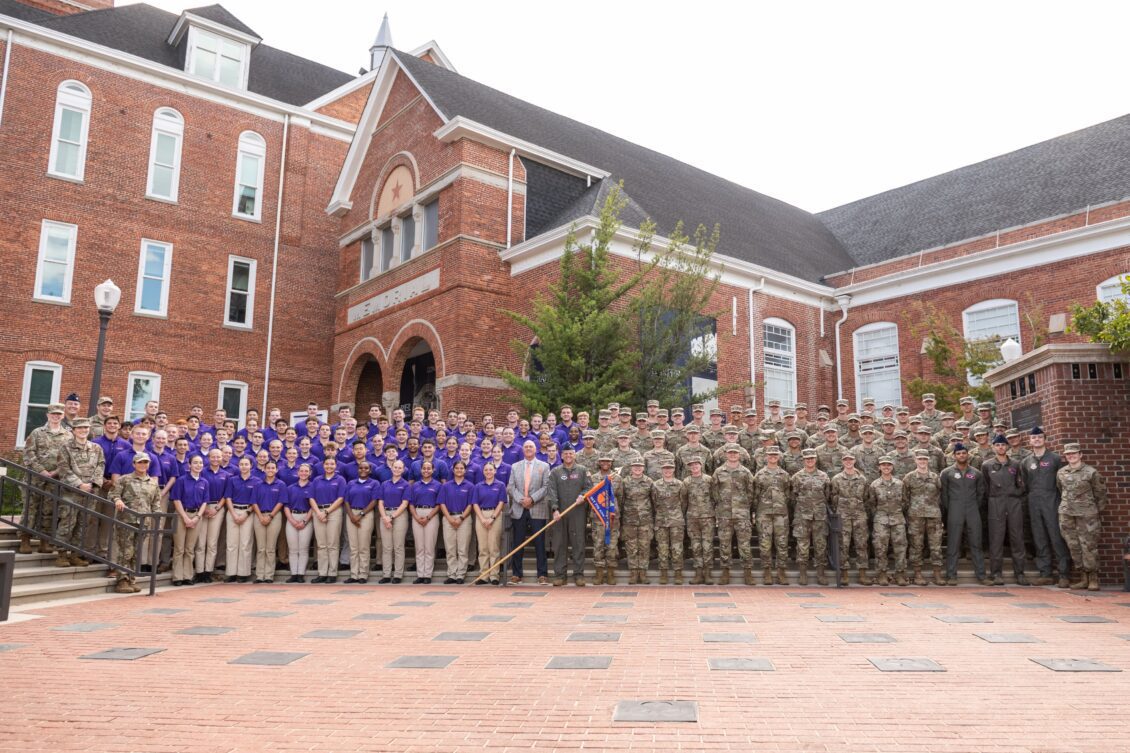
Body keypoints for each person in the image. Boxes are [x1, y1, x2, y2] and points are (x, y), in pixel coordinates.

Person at [19, 402, 72, 554]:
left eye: (59, 414)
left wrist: (56, 471)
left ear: (63, 416)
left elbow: (68, 458)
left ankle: (44, 541)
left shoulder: (68, 435)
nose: (56, 416)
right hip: (34, 478)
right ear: (47, 415)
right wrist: (41, 470)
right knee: (30, 508)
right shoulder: (37, 432)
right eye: (53, 414)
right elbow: (28, 453)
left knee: (49, 510)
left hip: (55, 479)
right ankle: (25, 539)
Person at [1020, 427, 1069, 587]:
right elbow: (1026, 483)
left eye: (1040, 437)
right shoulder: (1026, 462)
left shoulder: (1055, 459)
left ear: (1045, 439)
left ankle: (1063, 574)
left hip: (1052, 500)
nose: (1037, 440)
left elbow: (1062, 482)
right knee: (1039, 538)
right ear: (1030, 441)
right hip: (1034, 501)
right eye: (1034, 438)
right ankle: (1045, 573)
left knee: (1056, 537)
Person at [1056, 443, 1108, 591]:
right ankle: (1082, 577)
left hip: (1087, 515)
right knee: (1073, 545)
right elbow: (1060, 489)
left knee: (1089, 546)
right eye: (1068, 454)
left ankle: (1093, 578)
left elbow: (1101, 494)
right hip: (1067, 514)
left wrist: (1094, 511)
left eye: (1074, 453)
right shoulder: (1061, 472)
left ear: (1080, 454)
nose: (1071, 456)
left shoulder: (1091, 472)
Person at [54, 418, 104, 567]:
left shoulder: (96, 448)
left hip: (90, 492)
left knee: (83, 524)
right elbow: (63, 468)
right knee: (67, 522)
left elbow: (101, 465)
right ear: (74, 430)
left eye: (86, 428)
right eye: (80, 428)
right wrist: (79, 484)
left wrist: (93, 484)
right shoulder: (65, 447)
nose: (83, 430)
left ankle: (75, 554)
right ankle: (62, 554)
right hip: (71, 492)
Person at [108, 453, 161, 593]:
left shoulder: (153, 483)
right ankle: (122, 581)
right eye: (140, 462)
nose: (143, 465)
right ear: (133, 464)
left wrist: (157, 515)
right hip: (126, 520)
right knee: (126, 551)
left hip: (144, 522)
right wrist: (117, 500)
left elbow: (156, 503)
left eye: (145, 462)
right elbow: (112, 494)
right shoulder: (124, 479)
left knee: (137, 552)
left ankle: (131, 579)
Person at [940, 443, 989, 586]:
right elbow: (944, 496)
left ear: (968, 455)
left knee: (976, 543)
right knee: (953, 544)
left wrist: (973, 506)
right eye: (958, 453)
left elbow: (981, 494)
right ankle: (951, 575)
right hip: (955, 510)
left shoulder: (976, 473)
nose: (961, 455)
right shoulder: (947, 473)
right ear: (954, 456)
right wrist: (950, 510)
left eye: (964, 453)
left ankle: (981, 575)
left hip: (972, 510)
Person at [983, 434, 1028, 586]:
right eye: (997, 445)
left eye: (1003, 445)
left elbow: (1022, 485)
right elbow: (985, 487)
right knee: (996, 539)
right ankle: (996, 573)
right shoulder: (987, 465)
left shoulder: (1016, 464)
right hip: (996, 503)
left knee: (1017, 538)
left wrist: (1015, 496)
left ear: (1007, 447)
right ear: (993, 447)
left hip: (1013, 503)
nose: (1001, 447)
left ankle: (1020, 573)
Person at [506, 440, 551, 585]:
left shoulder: (544, 466)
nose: (528, 449)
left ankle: (542, 574)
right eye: (526, 447)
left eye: (531, 446)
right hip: (519, 509)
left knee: (539, 543)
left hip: (537, 508)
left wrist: (531, 499)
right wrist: (521, 500)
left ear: (536, 449)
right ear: (523, 450)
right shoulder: (515, 466)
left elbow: (546, 487)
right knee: (518, 542)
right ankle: (516, 574)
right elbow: (511, 487)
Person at [711, 444, 757, 585]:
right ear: (726, 455)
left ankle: (748, 572)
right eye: (730, 453)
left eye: (735, 453)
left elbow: (751, 493)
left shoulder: (746, 472)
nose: (732, 455)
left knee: (744, 544)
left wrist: (745, 508)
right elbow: (714, 492)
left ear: (739, 455)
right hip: (724, 514)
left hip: (742, 514)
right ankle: (725, 572)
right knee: (725, 544)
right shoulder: (719, 472)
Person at [545, 445, 590, 586]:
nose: (568, 456)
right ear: (562, 455)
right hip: (560, 514)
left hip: (577, 512)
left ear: (574, 455)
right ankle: (560, 575)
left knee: (578, 544)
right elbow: (551, 491)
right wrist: (555, 509)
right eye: (566, 453)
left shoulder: (582, 470)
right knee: (559, 544)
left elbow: (589, 487)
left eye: (571, 453)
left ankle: (578, 574)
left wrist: (583, 495)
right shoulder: (555, 472)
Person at [903, 449, 944, 586]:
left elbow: (940, 495)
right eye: (920, 459)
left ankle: (937, 573)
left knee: (936, 545)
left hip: (933, 515)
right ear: (915, 460)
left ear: (928, 460)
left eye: (924, 459)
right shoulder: (909, 477)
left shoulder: (935, 477)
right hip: (915, 516)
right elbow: (905, 497)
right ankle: (917, 573)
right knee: (916, 545)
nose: (922, 462)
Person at [790, 448, 831, 585]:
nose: (810, 461)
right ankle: (803, 573)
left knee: (821, 545)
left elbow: (827, 495)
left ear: (816, 459)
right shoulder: (797, 477)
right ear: (803, 460)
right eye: (807, 459)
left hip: (819, 516)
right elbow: (793, 496)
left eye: (812, 458)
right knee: (802, 545)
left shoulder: (824, 476)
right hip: (802, 516)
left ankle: (821, 573)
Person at [830, 451, 870, 586]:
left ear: (854, 461)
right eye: (846, 460)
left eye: (851, 459)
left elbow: (866, 497)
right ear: (842, 462)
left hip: (859, 515)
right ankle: (844, 574)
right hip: (843, 515)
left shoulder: (862, 479)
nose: (848, 462)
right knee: (843, 545)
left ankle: (862, 574)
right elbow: (833, 497)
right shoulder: (836, 479)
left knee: (862, 544)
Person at [868, 456, 908, 586]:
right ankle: (882, 574)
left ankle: (900, 574)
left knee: (900, 547)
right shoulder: (874, 485)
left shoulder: (900, 484)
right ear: (879, 467)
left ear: (892, 467)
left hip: (897, 518)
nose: (886, 467)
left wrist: (896, 512)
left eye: (889, 465)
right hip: (881, 519)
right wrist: (880, 514)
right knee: (880, 547)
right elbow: (872, 503)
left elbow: (905, 501)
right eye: (883, 465)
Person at [170, 455, 208, 586]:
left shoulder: (204, 482)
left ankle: (187, 576)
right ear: (189, 465)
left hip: (197, 516)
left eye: (200, 463)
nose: (198, 465)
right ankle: (177, 577)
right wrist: (185, 517)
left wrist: (197, 517)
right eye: (195, 463)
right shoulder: (181, 480)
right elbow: (176, 499)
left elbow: (205, 502)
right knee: (179, 548)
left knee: (190, 548)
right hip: (182, 514)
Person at [222, 456, 261, 583]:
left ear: (251, 466)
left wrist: (246, 514)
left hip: (248, 513)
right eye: (241, 464)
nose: (244, 466)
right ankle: (231, 572)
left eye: (246, 464)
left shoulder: (256, 481)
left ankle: (243, 573)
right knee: (232, 543)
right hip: (233, 511)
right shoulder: (232, 480)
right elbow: (228, 497)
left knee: (245, 543)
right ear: (238, 466)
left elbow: (255, 500)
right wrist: (233, 514)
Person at [310, 457, 347, 584]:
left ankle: (332, 573)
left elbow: (341, 498)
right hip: (318, 512)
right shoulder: (316, 480)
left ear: (336, 466)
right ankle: (322, 573)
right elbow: (311, 498)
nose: (329, 466)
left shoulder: (340, 480)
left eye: (332, 464)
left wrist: (327, 512)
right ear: (323, 465)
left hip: (334, 512)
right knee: (321, 545)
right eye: (327, 464)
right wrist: (319, 513)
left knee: (332, 544)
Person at [195, 449, 230, 583]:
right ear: (208, 458)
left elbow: (226, 495)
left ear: (222, 458)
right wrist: (204, 509)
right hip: (202, 508)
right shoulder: (202, 472)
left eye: (218, 456)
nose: (215, 459)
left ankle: (208, 571)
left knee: (212, 542)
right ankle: (199, 571)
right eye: (213, 456)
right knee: (201, 542)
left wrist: (216, 508)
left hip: (217, 508)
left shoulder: (225, 475)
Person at [590, 454, 624, 585]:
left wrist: (614, 511)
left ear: (611, 463)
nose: (605, 463)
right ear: (599, 463)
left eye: (608, 461)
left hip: (612, 517)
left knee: (612, 545)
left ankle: (610, 573)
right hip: (598, 518)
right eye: (603, 461)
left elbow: (620, 498)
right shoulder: (593, 478)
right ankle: (599, 573)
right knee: (598, 545)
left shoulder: (617, 478)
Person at [620, 458, 655, 584]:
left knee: (644, 547)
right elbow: (621, 500)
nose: (637, 468)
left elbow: (654, 500)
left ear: (644, 468)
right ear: (631, 468)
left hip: (645, 520)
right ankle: (634, 573)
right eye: (635, 466)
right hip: (629, 520)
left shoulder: (649, 482)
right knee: (631, 547)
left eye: (640, 466)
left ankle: (643, 573)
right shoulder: (625, 482)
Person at [439, 460, 475, 584]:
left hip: (464, 518)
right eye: (457, 468)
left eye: (461, 468)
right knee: (450, 548)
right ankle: (452, 574)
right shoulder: (446, 486)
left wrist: (461, 518)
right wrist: (449, 518)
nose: (459, 470)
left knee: (463, 548)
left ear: (465, 470)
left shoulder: (470, 486)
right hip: (448, 517)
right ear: (453, 470)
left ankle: (461, 574)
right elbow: (442, 503)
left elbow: (471, 504)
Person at [472, 462, 508, 584]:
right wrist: (482, 518)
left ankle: (494, 575)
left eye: (490, 469)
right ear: (483, 471)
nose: (488, 472)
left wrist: (492, 518)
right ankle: (483, 575)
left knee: (494, 547)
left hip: (495, 515)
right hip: (481, 515)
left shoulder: (500, 485)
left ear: (495, 471)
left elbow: (501, 502)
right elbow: (475, 503)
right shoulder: (478, 486)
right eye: (486, 470)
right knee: (482, 547)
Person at [342, 461, 378, 584]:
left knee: (363, 546)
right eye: (361, 467)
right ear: (358, 469)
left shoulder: (374, 483)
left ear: (370, 470)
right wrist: (352, 516)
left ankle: (363, 574)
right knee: (353, 547)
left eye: (366, 468)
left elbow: (374, 501)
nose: (363, 469)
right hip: (351, 514)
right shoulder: (351, 483)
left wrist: (360, 515)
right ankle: (354, 574)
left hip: (366, 515)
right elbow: (346, 501)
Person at [251, 460, 286, 583]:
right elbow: (254, 502)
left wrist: (270, 516)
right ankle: (260, 575)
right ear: (264, 470)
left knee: (270, 548)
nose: (270, 470)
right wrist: (260, 517)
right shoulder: (258, 485)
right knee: (261, 548)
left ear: (276, 470)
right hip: (259, 515)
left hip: (274, 516)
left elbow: (281, 502)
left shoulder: (281, 484)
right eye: (268, 468)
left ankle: (269, 575)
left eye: (273, 468)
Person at [651, 460, 686, 584]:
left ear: (674, 470)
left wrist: (676, 513)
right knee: (662, 548)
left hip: (676, 520)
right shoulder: (655, 485)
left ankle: (678, 573)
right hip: (661, 521)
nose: (667, 470)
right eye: (665, 468)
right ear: (661, 470)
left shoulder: (680, 484)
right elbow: (654, 502)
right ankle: (663, 573)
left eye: (670, 468)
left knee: (677, 548)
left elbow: (684, 502)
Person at [376, 459, 410, 584]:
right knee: (386, 547)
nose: (397, 469)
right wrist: (385, 517)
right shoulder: (384, 484)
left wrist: (392, 517)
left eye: (399, 468)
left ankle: (398, 574)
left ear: (403, 470)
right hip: (385, 514)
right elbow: (380, 502)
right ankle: (386, 574)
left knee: (398, 546)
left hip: (399, 515)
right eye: (395, 467)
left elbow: (405, 503)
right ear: (391, 468)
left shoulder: (405, 485)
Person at [408, 460, 442, 584]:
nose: (426, 470)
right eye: (424, 468)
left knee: (429, 546)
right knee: (419, 546)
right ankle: (420, 574)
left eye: (429, 468)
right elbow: (410, 503)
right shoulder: (415, 485)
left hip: (431, 514)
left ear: (433, 470)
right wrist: (416, 517)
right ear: (420, 470)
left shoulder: (438, 485)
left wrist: (428, 517)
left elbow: (439, 504)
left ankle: (427, 574)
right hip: (417, 513)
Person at [284, 464, 316, 582]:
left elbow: (313, 506)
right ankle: (294, 574)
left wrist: (305, 521)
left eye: (306, 471)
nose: (303, 473)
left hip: (306, 517)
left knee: (303, 548)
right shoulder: (290, 488)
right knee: (293, 548)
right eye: (301, 471)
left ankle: (301, 574)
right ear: (298, 473)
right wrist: (292, 520)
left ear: (310, 473)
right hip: (292, 517)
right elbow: (286, 506)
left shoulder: (313, 486)